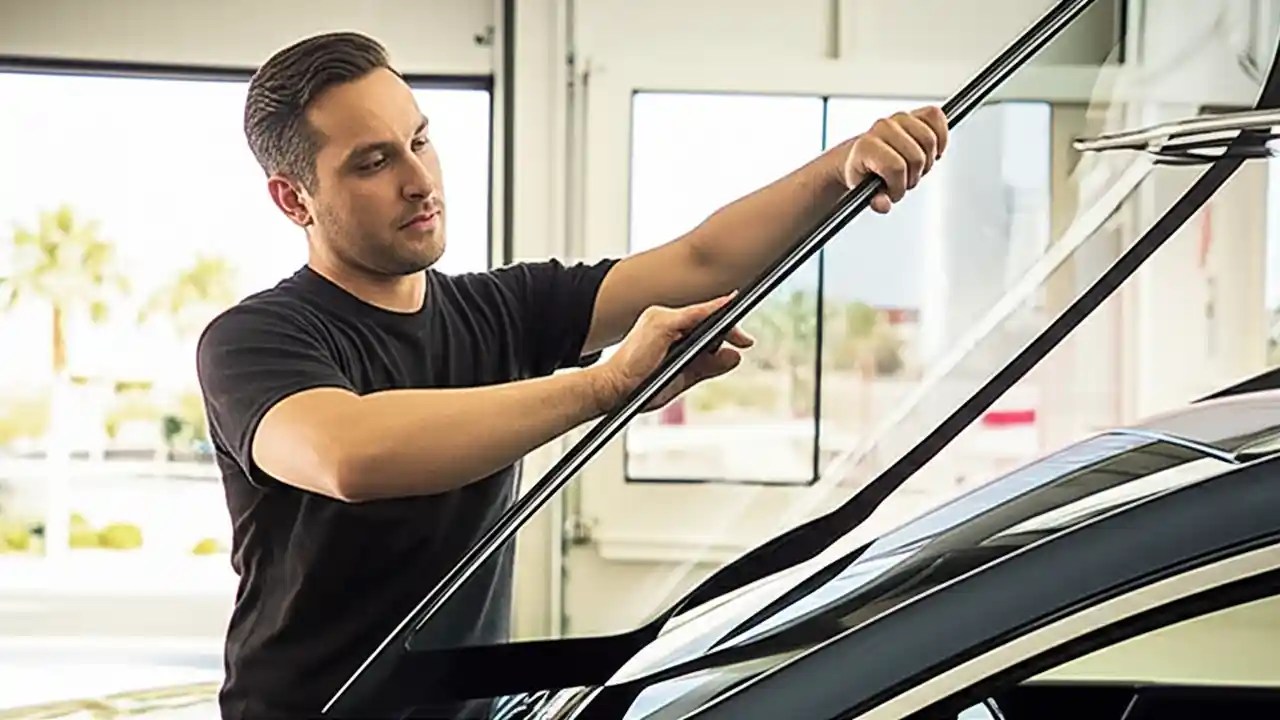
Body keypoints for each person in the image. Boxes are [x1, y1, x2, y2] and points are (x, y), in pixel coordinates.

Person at [195, 29, 949, 720]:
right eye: (373, 162)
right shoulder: (254, 340)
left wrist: (840, 166)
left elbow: (699, 263)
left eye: (420, 140)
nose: (420, 179)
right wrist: (606, 386)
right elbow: (349, 455)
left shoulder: (504, 310)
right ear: (294, 198)